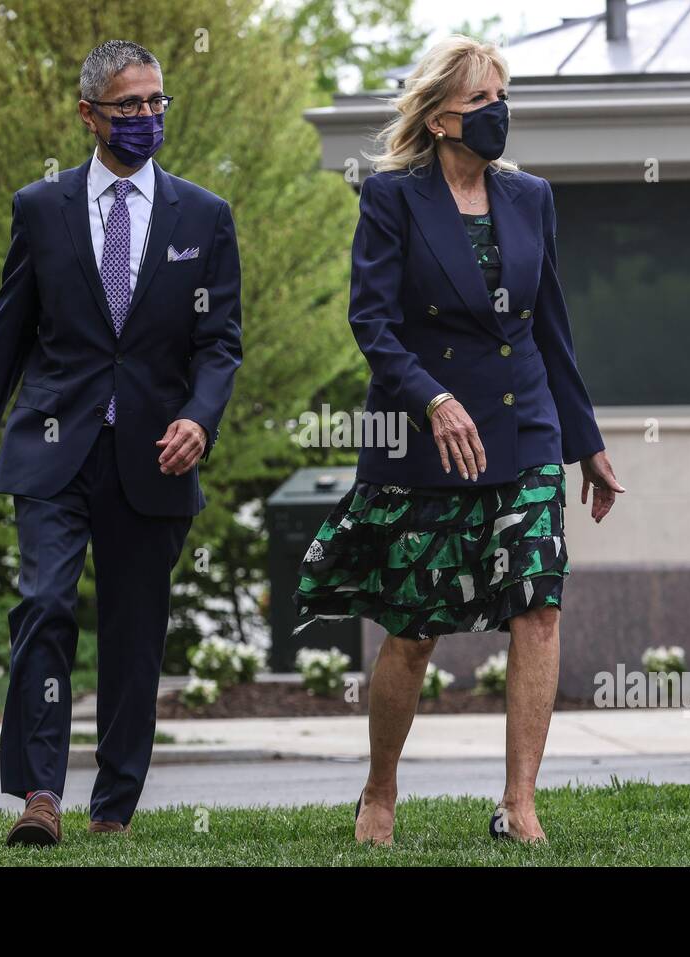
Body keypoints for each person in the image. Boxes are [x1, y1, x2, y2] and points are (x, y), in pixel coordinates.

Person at [293, 35, 623, 846]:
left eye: (503, 96)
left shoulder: (531, 198)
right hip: (427, 439)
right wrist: (432, 399)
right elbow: (370, 322)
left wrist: (588, 443)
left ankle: (521, 804)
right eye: (481, 100)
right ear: (441, 116)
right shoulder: (391, 198)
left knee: (538, 607)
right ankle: (379, 790)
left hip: (526, 428)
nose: (497, 112)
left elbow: (553, 328)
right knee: (413, 631)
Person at [0, 40, 242, 846]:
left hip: (154, 454)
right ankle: (41, 794)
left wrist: (199, 418)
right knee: (42, 603)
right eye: (129, 107)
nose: (146, 118)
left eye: (156, 104)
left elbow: (221, 343)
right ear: (89, 115)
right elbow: (7, 335)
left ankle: (113, 803)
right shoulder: (39, 207)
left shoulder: (204, 216)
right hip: (50, 446)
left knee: (135, 629)